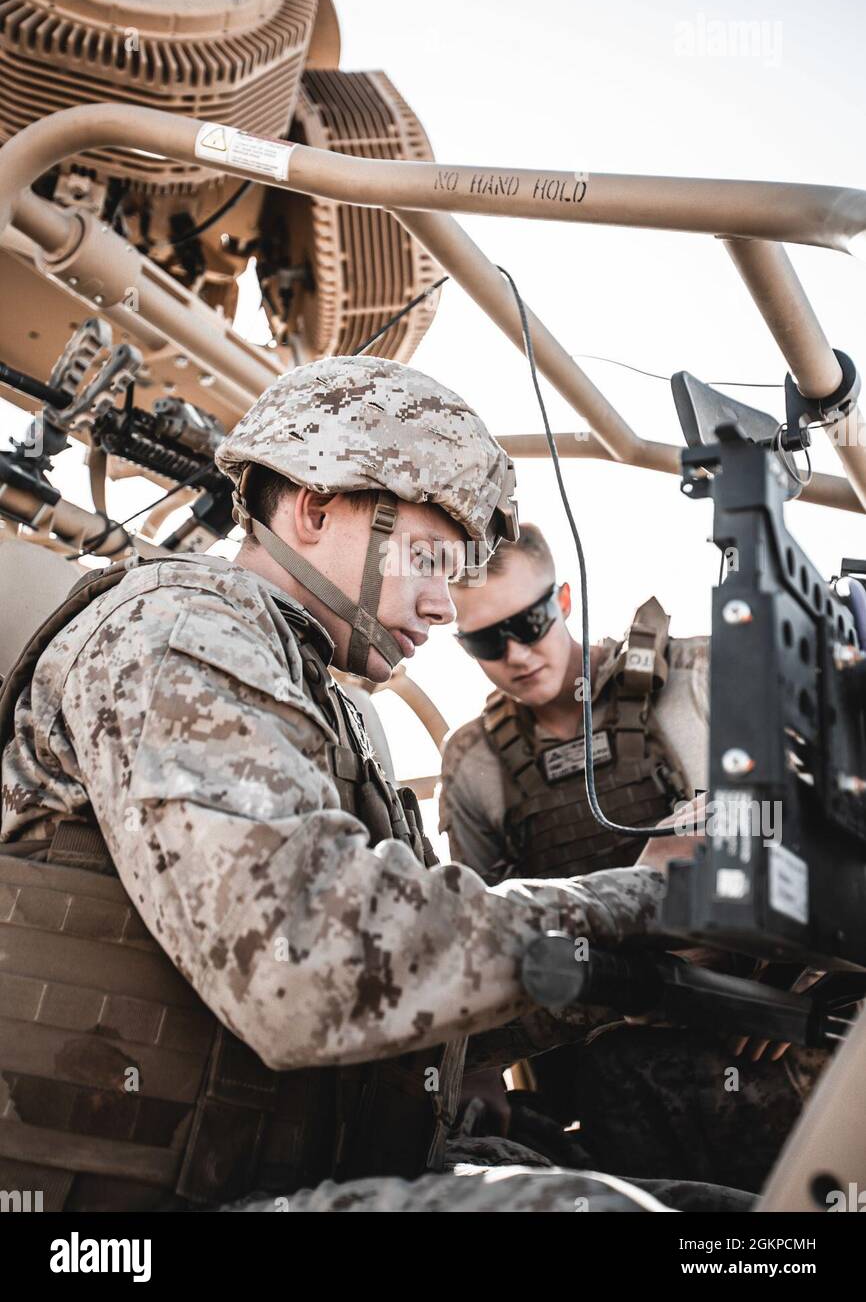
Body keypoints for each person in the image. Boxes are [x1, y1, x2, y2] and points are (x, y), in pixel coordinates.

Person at [0, 356, 749, 1213]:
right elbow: (305, 960)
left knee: (747, 1229)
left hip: (283, 1175)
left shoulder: (328, 703)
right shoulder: (178, 630)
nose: (442, 606)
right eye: (431, 558)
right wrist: (643, 898)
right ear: (316, 507)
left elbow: (410, 995)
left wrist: (646, 948)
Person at [438, 524, 828, 1193]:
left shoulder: (699, 681)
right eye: (485, 640)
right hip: (611, 1051)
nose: (517, 654)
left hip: (768, 1028)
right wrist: (470, 1070)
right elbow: (484, 941)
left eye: (530, 622)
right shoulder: (475, 766)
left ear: (562, 597)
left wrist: (802, 984)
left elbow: (833, 825)